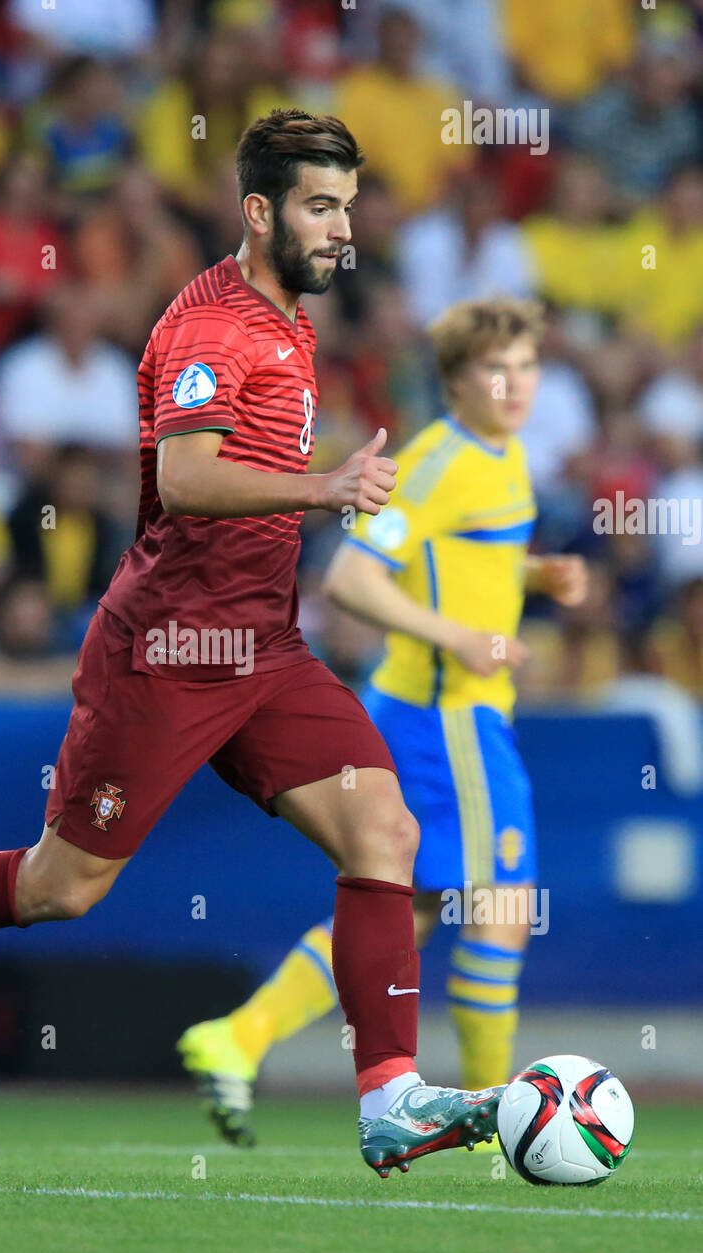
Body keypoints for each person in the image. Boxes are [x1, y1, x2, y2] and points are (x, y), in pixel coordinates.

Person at [0, 109, 504, 1180]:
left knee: (383, 831)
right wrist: (324, 485)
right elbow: (191, 479)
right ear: (260, 211)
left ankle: (388, 1096)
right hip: (167, 650)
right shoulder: (214, 329)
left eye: (347, 205)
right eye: (320, 207)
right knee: (61, 887)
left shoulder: (290, 318)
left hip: (262, 648)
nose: (344, 229)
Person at [179, 296, 589, 1147]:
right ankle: (502, 1120)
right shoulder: (440, 462)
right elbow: (353, 581)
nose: (515, 385)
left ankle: (238, 1034)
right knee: (502, 908)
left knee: (409, 912)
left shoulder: (501, 455)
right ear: (452, 382)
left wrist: (537, 576)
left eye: (527, 366)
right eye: (493, 370)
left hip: (422, 712)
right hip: (453, 721)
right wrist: (461, 638)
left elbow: (464, 557)